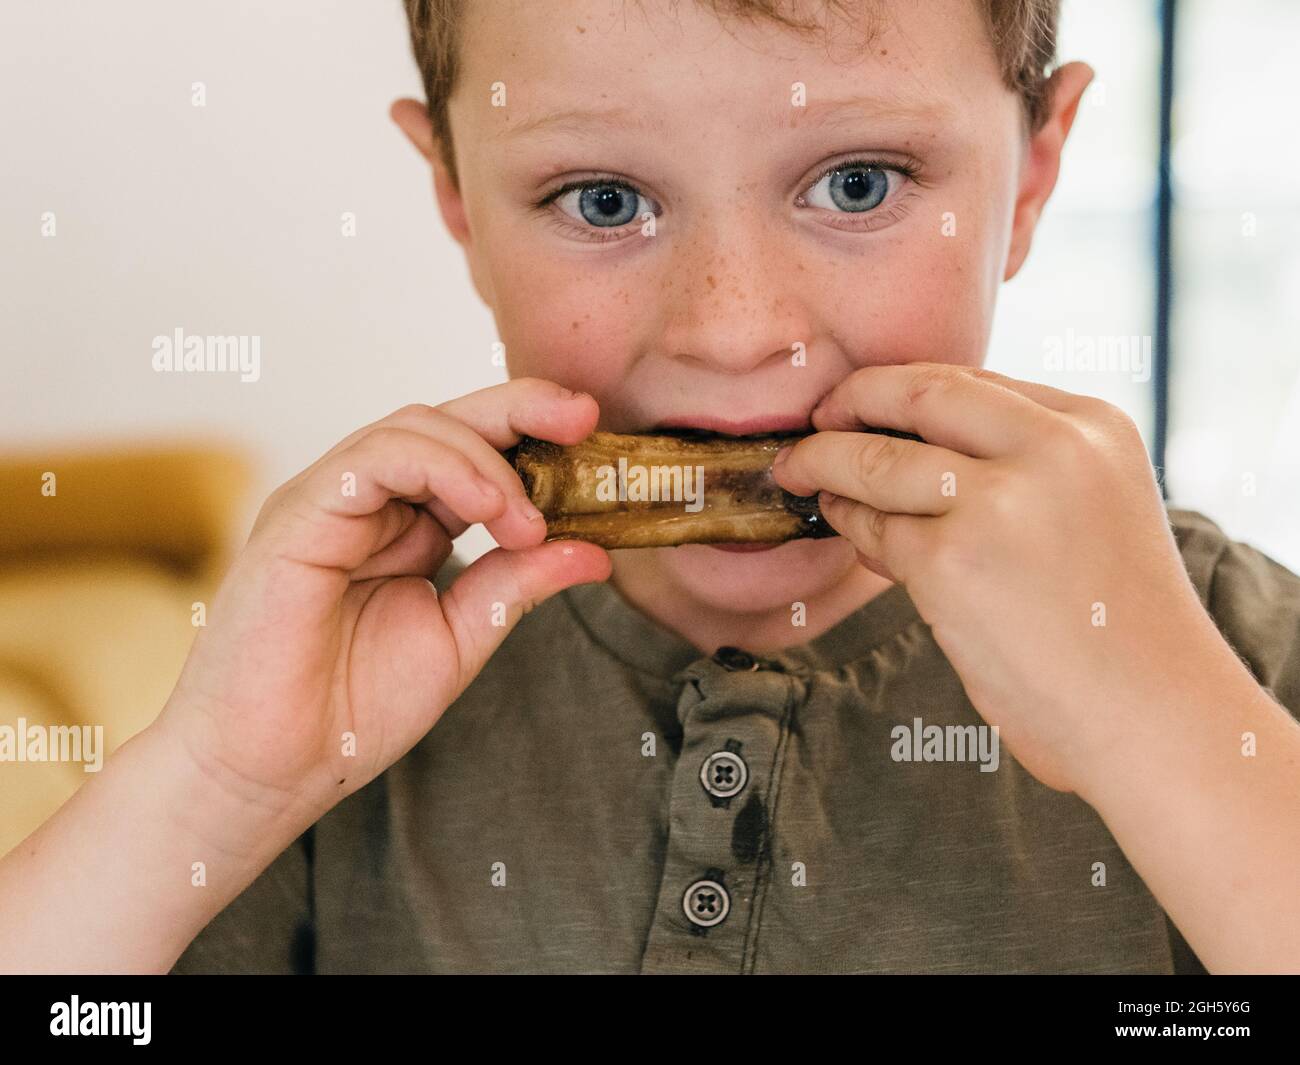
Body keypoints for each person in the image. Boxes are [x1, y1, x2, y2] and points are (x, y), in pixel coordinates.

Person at [3, 0, 1298, 974]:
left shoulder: (1230, 666)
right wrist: (217, 783)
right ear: (455, 197)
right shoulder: (338, 749)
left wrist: (1167, 730)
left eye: (859, 184)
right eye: (604, 197)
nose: (734, 331)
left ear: (1032, 175)